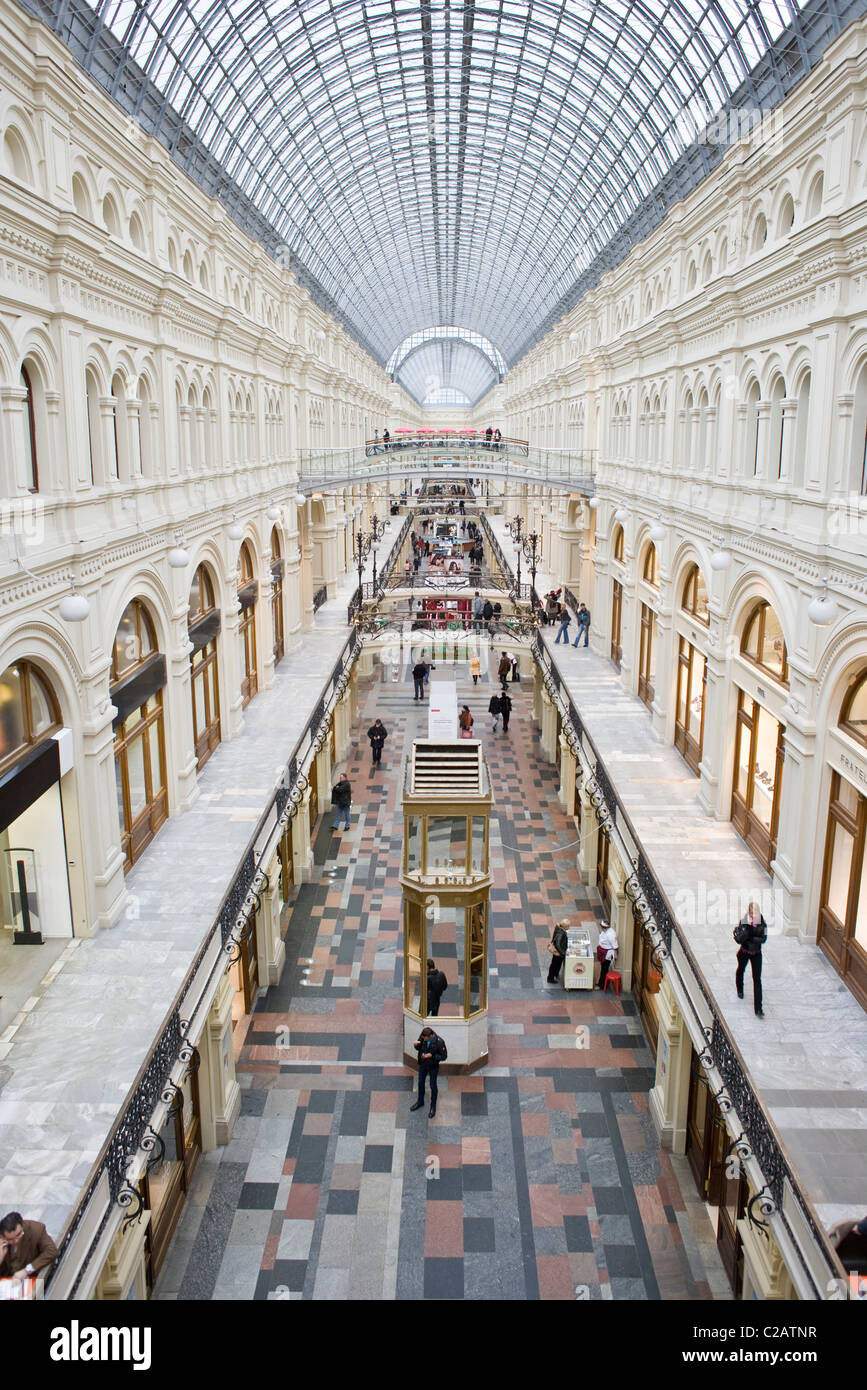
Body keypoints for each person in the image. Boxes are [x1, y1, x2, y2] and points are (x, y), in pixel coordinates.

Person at [0, 1212, 58, 1284]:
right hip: (7, 1282)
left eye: (18, 1235)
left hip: (32, 1279)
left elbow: (51, 1251)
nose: (16, 1241)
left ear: (22, 1225)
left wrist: (27, 1270)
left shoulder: (36, 1230)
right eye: (10, 1239)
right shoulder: (1, 1240)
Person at [734, 901, 768, 1017]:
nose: (755, 915)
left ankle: (758, 1008)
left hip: (756, 953)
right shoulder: (744, 922)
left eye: (756, 913)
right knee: (741, 970)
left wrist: (752, 939)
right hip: (745, 951)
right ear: (749, 912)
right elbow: (741, 938)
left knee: (757, 979)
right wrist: (748, 927)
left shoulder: (762, 923)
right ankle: (740, 988)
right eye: (753, 913)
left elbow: (763, 939)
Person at [410, 1026, 447, 1117]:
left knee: (432, 1085)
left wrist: (432, 1056)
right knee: (420, 1083)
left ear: (431, 1036)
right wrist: (416, 1046)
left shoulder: (439, 1042)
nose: (423, 1039)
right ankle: (420, 1101)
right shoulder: (423, 1036)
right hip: (423, 1064)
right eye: (422, 1038)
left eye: (425, 1038)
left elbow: (443, 1056)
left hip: (433, 1066)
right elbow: (419, 1047)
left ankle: (433, 1106)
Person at [596, 921, 618, 991]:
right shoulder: (605, 931)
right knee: (603, 967)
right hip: (603, 951)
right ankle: (602, 983)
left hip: (607, 954)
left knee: (604, 969)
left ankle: (601, 985)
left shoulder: (610, 934)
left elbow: (615, 946)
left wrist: (616, 955)